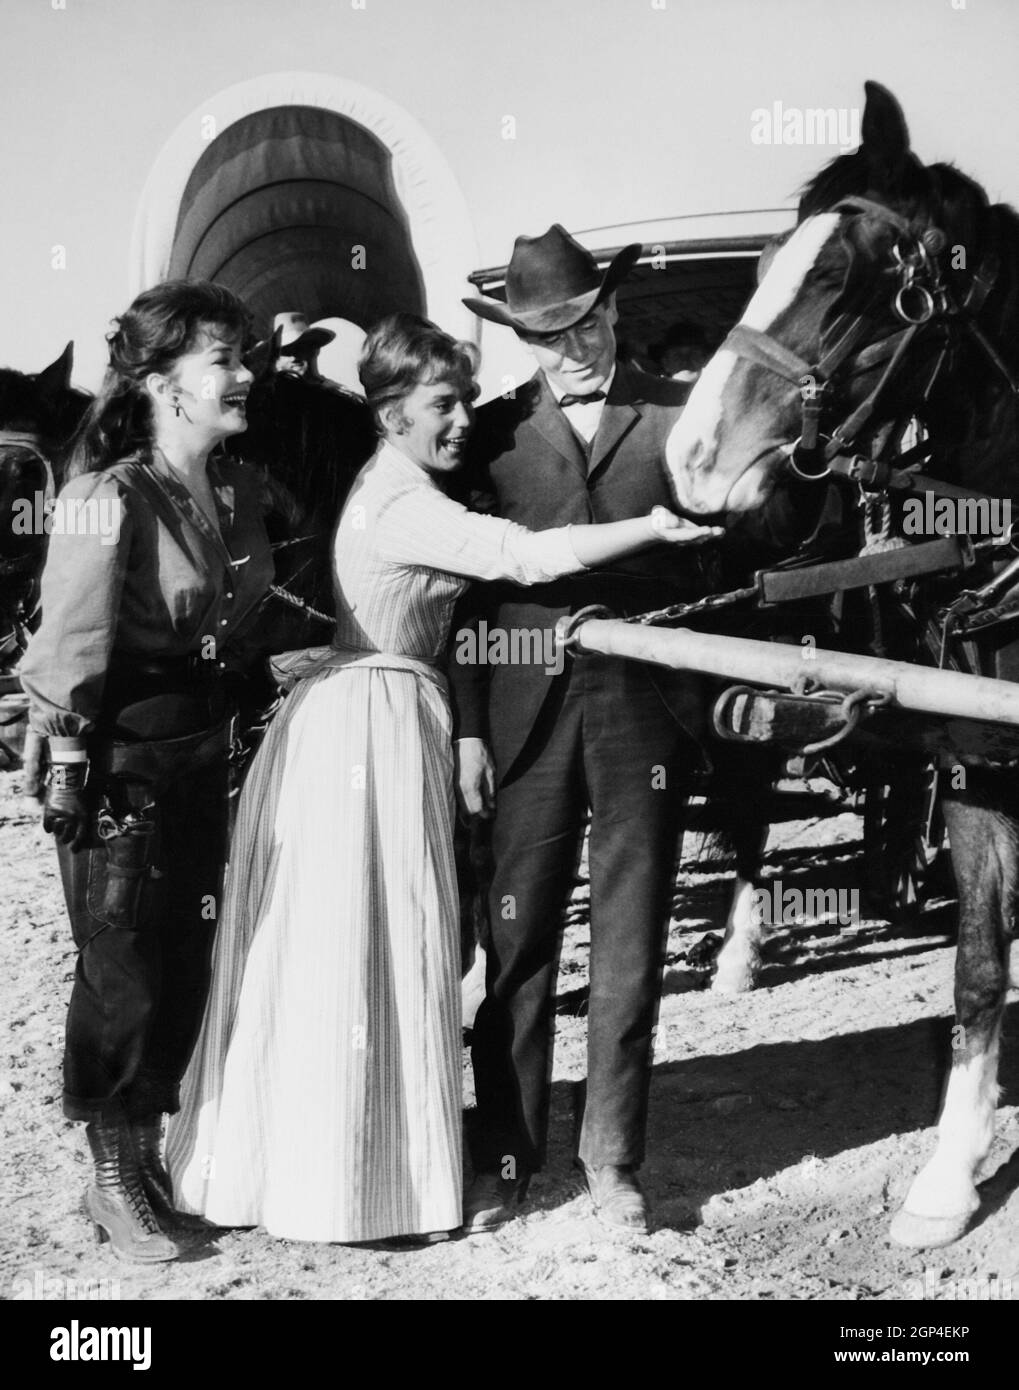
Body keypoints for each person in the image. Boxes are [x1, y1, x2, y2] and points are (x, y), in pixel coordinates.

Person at [165, 312, 721, 1246]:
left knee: (361, 952)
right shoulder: (402, 500)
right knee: (366, 952)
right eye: (439, 404)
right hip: (370, 724)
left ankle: (343, 1166)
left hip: (375, 709)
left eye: (465, 398)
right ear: (389, 416)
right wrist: (652, 527)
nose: (462, 419)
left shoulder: (399, 478)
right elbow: (521, 556)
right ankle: (351, 1183)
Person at [452, 224, 737, 1235]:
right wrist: (468, 733)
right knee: (516, 939)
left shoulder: (681, 419)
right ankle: (505, 1155)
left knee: (629, 940)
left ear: (613, 310)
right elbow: (467, 596)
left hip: (643, 710)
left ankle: (613, 1157)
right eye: (545, 336)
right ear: (518, 341)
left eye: (584, 322)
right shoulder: (487, 435)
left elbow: (731, 565)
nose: (571, 348)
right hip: (520, 707)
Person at [20, 281, 275, 1262]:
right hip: (120, 771)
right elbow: (66, 656)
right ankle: (111, 1177)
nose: (245, 374)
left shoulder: (221, 492)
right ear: (165, 381)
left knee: (182, 964)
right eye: (225, 358)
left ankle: (150, 1157)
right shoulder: (102, 498)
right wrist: (73, 774)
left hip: (199, 755)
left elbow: (231, 627)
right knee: (119, 968)